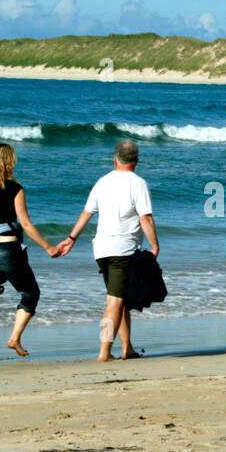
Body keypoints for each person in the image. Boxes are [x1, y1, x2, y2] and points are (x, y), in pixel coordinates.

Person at [55, 139, 159, 361]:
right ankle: (104, 351)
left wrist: (71, 238)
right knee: (114, 301)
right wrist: (155, 245)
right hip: (123, 249)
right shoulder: (137, 183)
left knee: (119, 299)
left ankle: (127, 348)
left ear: (115, 159)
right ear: (137, 161)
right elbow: (146, 218)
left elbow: (86, 213)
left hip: (101, 249)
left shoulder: (102, 182)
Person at [0, 143, 61, 363]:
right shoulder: (15, 188)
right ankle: (14, 338)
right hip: (7, 248)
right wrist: (48, 247)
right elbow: (26, 224)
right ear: (10, 162)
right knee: (30, 293)